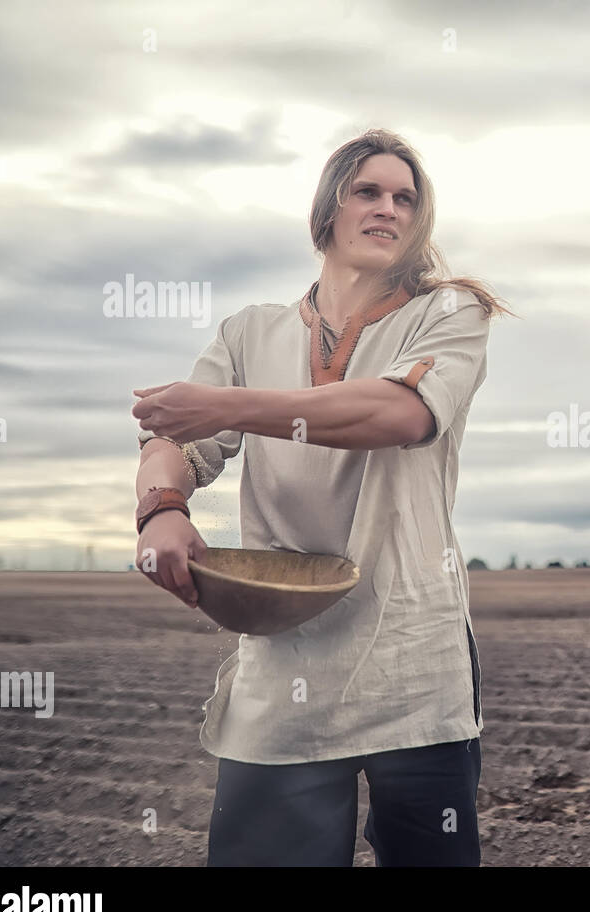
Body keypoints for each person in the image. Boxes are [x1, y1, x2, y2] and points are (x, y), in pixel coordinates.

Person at [130, 129, 514, 866]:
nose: (388, 209)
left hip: (414, 660)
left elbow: (398, 414)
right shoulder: (250, 332)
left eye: (406, 198)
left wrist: (229, 406)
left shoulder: (450, 313)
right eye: (367, 191)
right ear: (327, 212)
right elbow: (173, 438)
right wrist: (162, 509)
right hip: (285, 659)